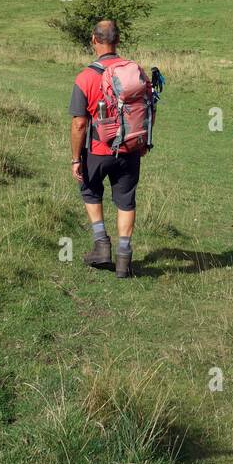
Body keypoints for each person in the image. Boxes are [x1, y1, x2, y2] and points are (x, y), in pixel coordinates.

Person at [68, 19, 153, 278]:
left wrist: (75, 159)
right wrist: (143, 141)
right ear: (118, 41)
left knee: (91, 191)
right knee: (126, 200)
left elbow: (80, 124)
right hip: (130, 148)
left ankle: (101, 246)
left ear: (94, 40)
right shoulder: (135, 71)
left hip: (98, 150)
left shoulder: (85, 77)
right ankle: (124, 260)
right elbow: (149, 106)